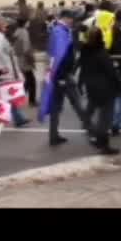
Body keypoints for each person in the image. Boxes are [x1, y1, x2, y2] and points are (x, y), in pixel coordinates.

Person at [40, 9, 91, 146]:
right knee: (76, 102)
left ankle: (54, 135)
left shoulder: (60, 31)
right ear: (66, 18)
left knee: (57, 106)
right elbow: (59, 56)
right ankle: (89, 127)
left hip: (58, 75)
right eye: (72, 19)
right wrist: (62, 76)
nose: (73, 21)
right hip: (62, 74)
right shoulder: (60, 33)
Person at [78, 26, 121, 155]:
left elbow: (83, 69)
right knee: (105, 118)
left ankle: (93, 133)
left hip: (91, 87)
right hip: (105, 88)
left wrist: (82, 83)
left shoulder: (84, 51)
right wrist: (118, 85)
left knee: (93, 111)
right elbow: (111, 72)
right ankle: (103, 144)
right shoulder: (101, 52)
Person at [12, 13, 38, 108]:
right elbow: (26, 47)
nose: (29, 24)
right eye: (28, 22)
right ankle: (31, 100)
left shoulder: (17, 32)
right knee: (31, 80)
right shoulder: (24, 32)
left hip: (20, 58)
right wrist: (31, 59)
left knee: (27, 80)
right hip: (25, 59)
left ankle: (19, 98)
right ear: (25, 23)